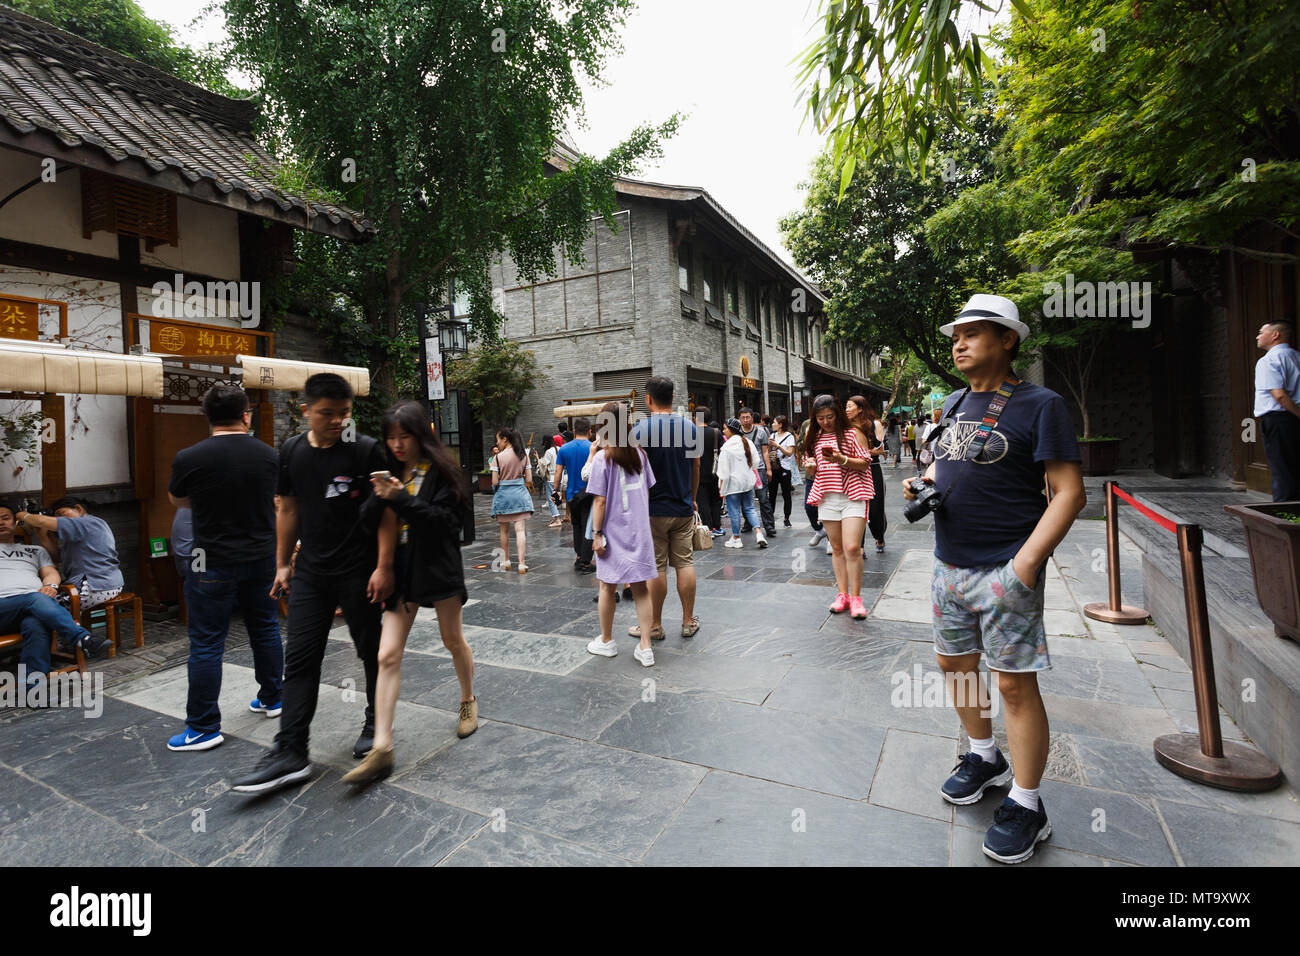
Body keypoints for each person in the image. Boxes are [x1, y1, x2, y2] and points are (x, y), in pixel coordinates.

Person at [904, 293, 1084, 864]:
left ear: (1007, 340)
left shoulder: (1042, 404)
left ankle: (1028, 804)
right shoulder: (956, 401)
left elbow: (1070, 493)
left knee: (1013, 683)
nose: (959, 343)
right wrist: (925, 478)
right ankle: (984, 755)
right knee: (955, 667)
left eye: (974, 333)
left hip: (1007, 565)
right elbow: (950, 459)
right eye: (956, 334)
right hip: (948, 563)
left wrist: (1026, 565)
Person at [229, 373, 393, 791]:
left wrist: (384, 566)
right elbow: (288, 508)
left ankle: (376, 724)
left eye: (344, 413)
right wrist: (283, 563)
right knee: (299, 658)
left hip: (360, 571)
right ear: (306, 411)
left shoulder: (365, 450)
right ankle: (291, 750)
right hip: (312, 574)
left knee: (371, 651)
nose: (337, 421)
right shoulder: (292, 451)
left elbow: (389, 511)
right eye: (327, 413)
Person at [340, 401, 478, 785]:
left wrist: (401, 498)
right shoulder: (390, 472)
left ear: (420, 435)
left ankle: (468, 700)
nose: (398, 444)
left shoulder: (443, 472)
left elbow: (448, 525)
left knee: (452, 638)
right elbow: (367, 521)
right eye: (392, 438)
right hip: (402, 573)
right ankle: (382, 744)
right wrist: (378, 496)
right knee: (387, 654)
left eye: (405, 437)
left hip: (438, 568)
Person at [166, 384, 283, 752]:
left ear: (208, 417)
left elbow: (177, 499)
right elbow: (281, 500)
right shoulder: (269, 455)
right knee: (265, 628)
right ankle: (273, 697)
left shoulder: (190, 456)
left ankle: (203, 727)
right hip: (263, 556)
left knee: (206, 643)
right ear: (246, 415)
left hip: (210, 561)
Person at [584, 401, 659, 666]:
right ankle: (646, 647)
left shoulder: (603, 458)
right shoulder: (640, 455)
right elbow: (647, 490)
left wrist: (596, 534)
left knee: (607, 586)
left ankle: (606, 641)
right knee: (641, 589)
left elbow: (600, 501)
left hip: (614, 533)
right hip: (639, 531)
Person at [0, 502, 101, 689]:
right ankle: (81, 638)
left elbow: (50, 572)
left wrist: (52, 585)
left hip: (29, 607)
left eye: (5, 518)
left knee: (36, 623)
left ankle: (33, 689)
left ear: (15, 522)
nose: (1, 523)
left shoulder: (34, 551)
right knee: (35, 599)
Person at [630, 376, 701, 642]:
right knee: (685, 563)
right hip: (682, 507)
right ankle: (687, 621)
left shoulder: (639, 431)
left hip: (651, 510)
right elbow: (696, 466)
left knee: (656, 567)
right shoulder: (691, 428)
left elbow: (633, 473)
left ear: (649, 399)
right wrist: (692, 498)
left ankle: (655, 625)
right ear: (673, 397)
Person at [802, 396, 873, 619]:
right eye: (820, 418)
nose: (825, 422)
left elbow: (865, 462)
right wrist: (811, 467)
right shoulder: (813, 437)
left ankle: (856, 597)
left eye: (829, 417)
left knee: (852, 547)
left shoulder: (852, 434)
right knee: (837, 548)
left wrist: (841, 459)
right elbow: (810, 469)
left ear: (838, 414)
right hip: (827, 496)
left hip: (854, 494)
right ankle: (842, 594)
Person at [18, 497, 123, 613]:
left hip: (97, 586)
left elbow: (42, 521)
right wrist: (42, 536)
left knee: (39, 607)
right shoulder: (79, 532)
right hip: (102, 585)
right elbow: (58, 557)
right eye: (56, 516)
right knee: (38, 608)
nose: (59, 519)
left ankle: (72, 631)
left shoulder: (89, 522)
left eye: (61, 514)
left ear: (78, 509)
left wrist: (23, 515)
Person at [1254, 319, 1300, 501]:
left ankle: (1284, 520)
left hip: (1279, 419)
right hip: (1293, 419)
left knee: (1282, 472)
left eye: (1261, 332)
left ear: (1275, 335)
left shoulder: (1269, 360)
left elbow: (1279, 395)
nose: (1257, 336)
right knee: (1295, 469)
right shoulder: (1296, 356)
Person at [845, 397, 889, 554]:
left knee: (875, 509)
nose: (847, 410)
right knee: (856, 507)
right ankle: (860, 546)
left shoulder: (874, 424)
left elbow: (882, 450)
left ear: (860, 408)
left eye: (850, 407)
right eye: (846, 407)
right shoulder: (845, 426)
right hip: (853, 470)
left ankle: (879, 535)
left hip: (873, 468)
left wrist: (863, 453)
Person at [554, 418, 595, 573]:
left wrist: (555, 490)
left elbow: (558, 472)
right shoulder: (593, 448)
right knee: (588, 527)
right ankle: (586, 561)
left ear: (575, 431)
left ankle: (579, 557)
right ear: (590, 431)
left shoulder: (564, 449)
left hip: (571, 495)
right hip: (589, 494)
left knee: (576, 526)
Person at [717, 419, 766, 550]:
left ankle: (736, 538)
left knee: (734, 511)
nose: (723, 431)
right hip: (747, 482)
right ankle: (759, 533)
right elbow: (755, 462)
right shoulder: (747, 442)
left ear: (731, 430)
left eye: (725, 428)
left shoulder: (726, 448)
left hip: (733, 484)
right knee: (750, 508)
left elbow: (723, 472)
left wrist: (721, 485)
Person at [490, 428, 533, 572]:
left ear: (504, 439)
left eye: (498, 440)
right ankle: (521, 563)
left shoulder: (497, 458)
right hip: (520, 495)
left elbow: (495, 482)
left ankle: (506, 561)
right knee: (520, 531)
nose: (497, 443)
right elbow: (529, 479)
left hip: (503, 496)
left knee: (504, 531)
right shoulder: (523, 456)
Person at [738, 407, 777, 538]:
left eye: (747, 417)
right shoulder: (737, 433)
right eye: (743, 417)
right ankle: (748, 523)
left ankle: (769, 526)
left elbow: (765, 451)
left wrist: (769, 469)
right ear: (739, 419)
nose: (745, 420)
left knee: (763, 498)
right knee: (744, 498)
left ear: (752, 417)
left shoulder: (761, 432)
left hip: (759, 469)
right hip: (743, 470)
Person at [694, 406, 724, 536]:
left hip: (699, 472)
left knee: (703, 501)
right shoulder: (716, 433)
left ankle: (708, 528)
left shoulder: (692, 433)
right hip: (715, 472)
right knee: (716, 499)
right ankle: (717, 526)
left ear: (696, 418)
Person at [798, 416, 826, 549]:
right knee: (809, 506)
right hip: (812, 474)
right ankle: (820, 530)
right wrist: (806, 440)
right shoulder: (806, 424)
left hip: (829, 474)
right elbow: (800, 445)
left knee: (828, 507)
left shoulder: (833, 424)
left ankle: (832, 540)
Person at [768, 415, 797, 528]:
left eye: (774, 422)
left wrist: (778, 446)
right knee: (772, 494)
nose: (772, 424)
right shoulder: (772, 435)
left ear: (780, 424)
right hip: (774, 467)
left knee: (786, 494)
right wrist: (770, 447)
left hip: (785, 468)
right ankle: (770, 519)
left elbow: (790, 453)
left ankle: (786, 518)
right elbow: (769, 450)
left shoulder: (789, 436)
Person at [537, 435, 562, 528]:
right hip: (561, 476)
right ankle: (556, 517)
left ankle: (556, 518)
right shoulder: (560, 449)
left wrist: (539, 460)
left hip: (551, 477)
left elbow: (544, 464)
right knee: (557, 497)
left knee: (551, 498)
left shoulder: (548, 451)